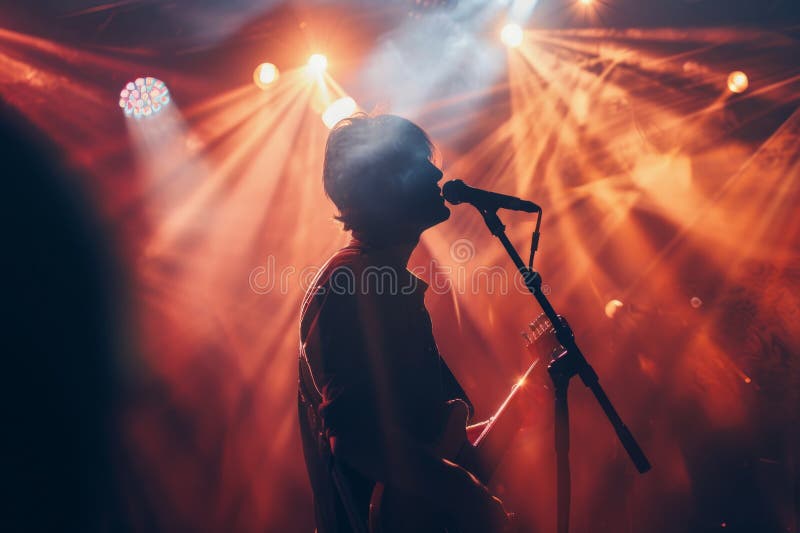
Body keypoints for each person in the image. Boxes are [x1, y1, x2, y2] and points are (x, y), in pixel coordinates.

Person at [298, 114, 512, 532]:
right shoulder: (355, 282)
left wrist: (515, 413)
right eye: (419, 163)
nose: (436, 172)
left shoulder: (379, 280)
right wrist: (466, 491)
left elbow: (424, 450)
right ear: (383, 186)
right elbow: (355, 439)